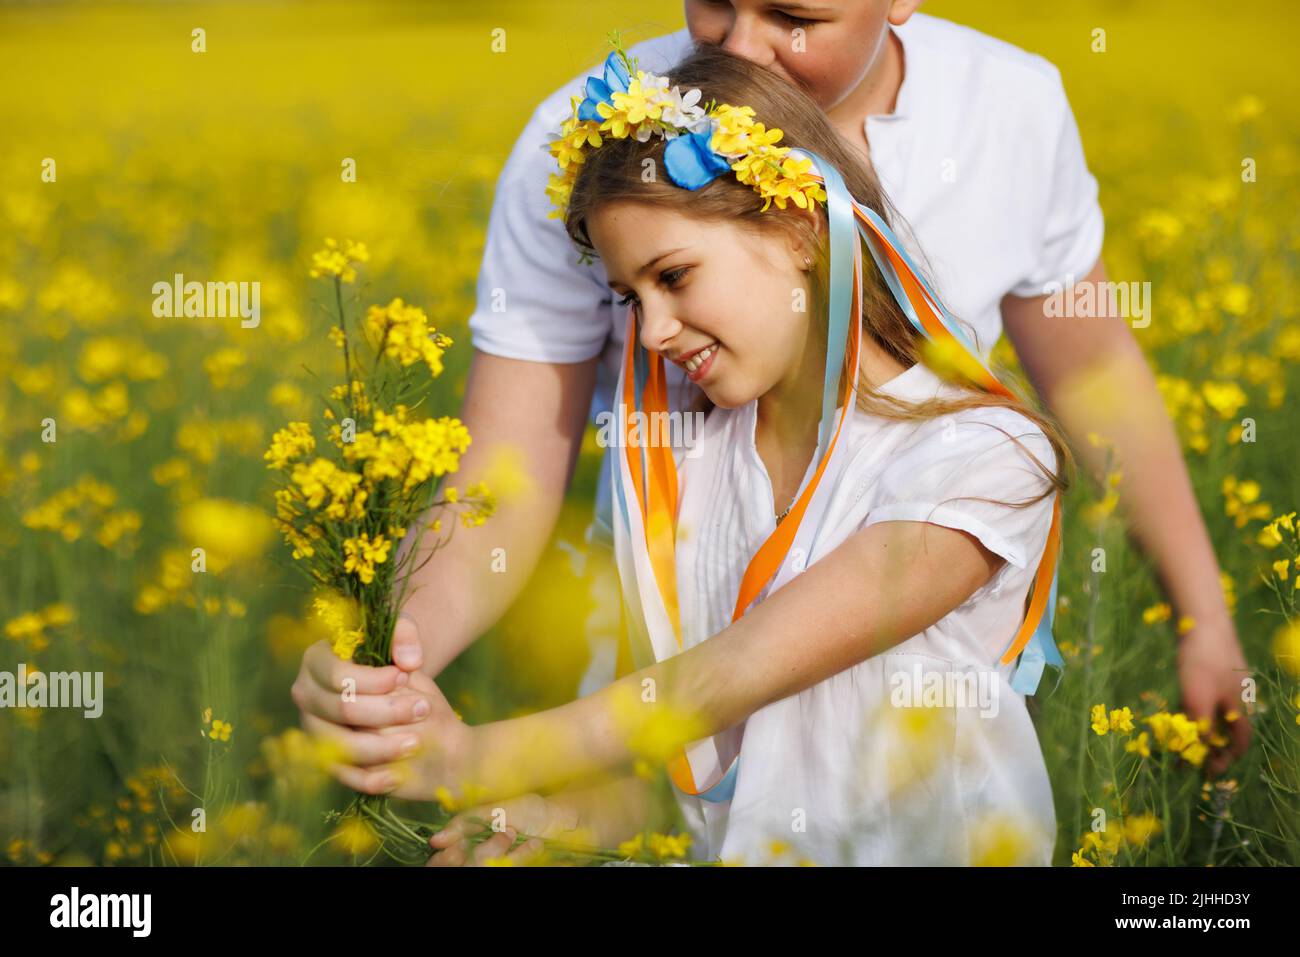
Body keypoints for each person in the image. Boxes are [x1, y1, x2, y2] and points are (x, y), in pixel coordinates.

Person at [291, 2, 1251, 859]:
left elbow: (727, 676)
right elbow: (518, 481)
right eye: (713, 1)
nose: (745, 47)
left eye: (794, 12)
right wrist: (404, 667)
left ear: (799, 232)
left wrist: (482, 756)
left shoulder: (980, 458)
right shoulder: (700, 449)